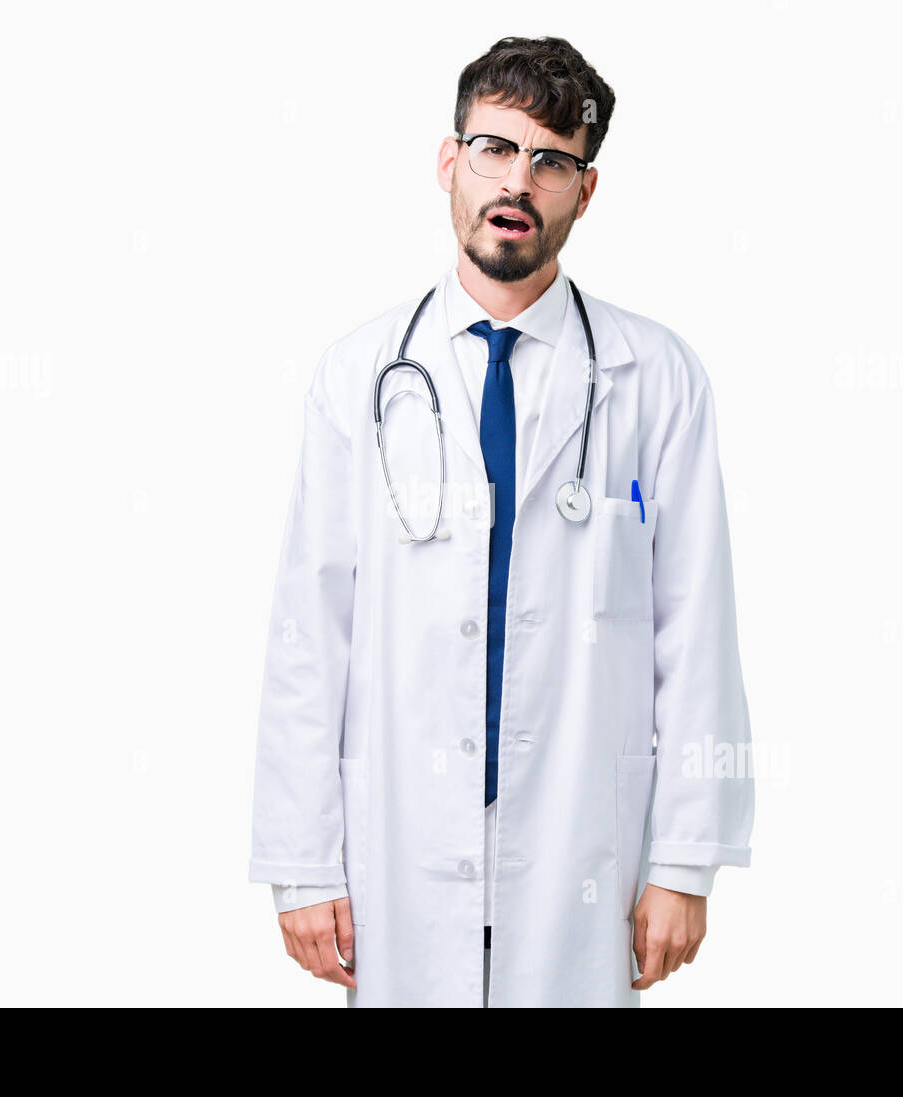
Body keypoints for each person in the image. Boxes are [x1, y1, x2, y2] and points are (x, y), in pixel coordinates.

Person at [249, 35, 754, 1008]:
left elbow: (696, 629)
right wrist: (301, 860)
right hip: (396, 844)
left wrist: (687, 856)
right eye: (493, 148)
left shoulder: (656, 378)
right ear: (449, 162)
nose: (515, 181)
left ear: (584, 189)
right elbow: (311, 631)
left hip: (583, 845)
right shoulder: (359, 375)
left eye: (549, 160)